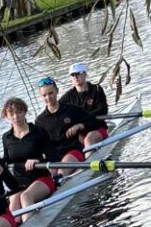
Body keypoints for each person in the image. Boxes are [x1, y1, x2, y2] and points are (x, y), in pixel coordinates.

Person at [5, 79, 91, 210]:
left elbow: (94, 121)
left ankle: (59, 193)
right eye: (44, 95)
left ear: (56, 91)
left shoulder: (70, 109)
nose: (48, 97)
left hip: (71, 150)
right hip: (53, 155)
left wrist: (81, 125)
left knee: (60, 171)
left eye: (50, 93)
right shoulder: (40, 120)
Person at [66, 63, 110, 145]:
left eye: (78, 74)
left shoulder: (96, 90)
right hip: (80, 131)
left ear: (85, 74)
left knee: (89, 140)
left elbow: (103, 111)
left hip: (97, 127)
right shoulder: (68, 96)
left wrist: (81, 122)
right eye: (73, 75)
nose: (75, 77)